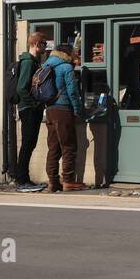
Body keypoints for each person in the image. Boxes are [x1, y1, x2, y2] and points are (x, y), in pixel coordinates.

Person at [42, 42, 86, 193]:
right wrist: (78, 110)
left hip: (50, 109)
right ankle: (68, 181)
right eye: (73, 53)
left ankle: (53, 182)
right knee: (68, 146)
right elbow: (72, 91)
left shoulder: (46, 65)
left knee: (53, 147)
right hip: (63, 110)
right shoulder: (66, 67)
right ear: (67, 54)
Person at [14, 31, 49, 192]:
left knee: (30, 144)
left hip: (30, 108)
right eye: (43, 44)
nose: (45, 47)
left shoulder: (33, 61)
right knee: (27, 144)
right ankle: (21, 180)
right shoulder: (28, 62)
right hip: (28, 109)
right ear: (35, 44)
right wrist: (34, 104)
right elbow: (21, 88)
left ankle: (24, 179)